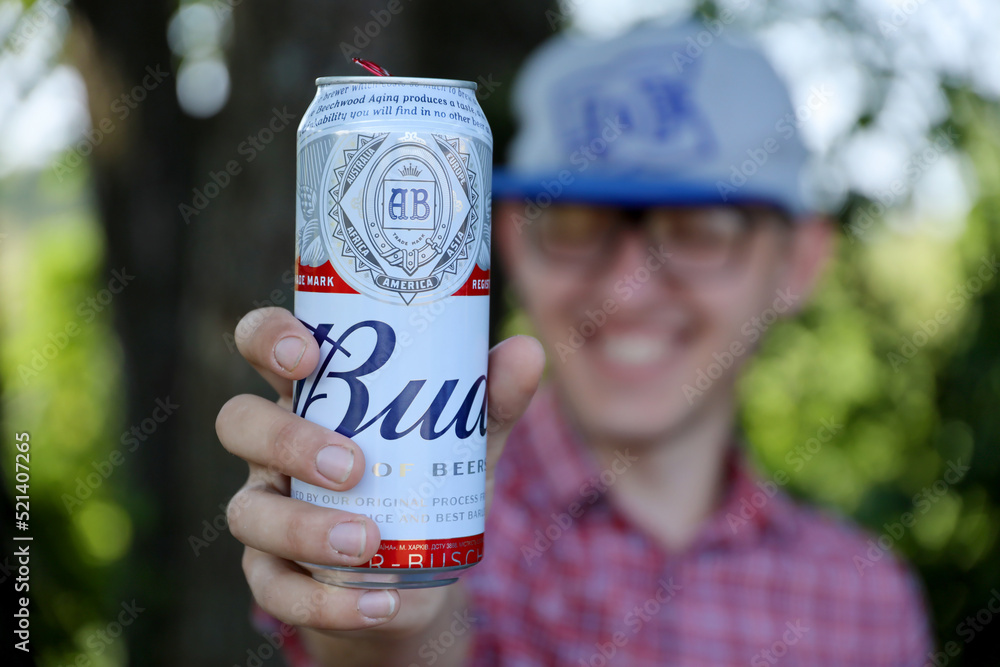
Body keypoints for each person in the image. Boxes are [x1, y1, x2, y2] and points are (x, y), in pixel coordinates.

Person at [216, 20, 932, 666]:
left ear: (800, 261)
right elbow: (399, 644)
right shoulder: (425, 502)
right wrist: (382, 615)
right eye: (577, 221)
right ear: (510, 238)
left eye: (701, 228)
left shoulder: (868, 604)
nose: (626, 289)